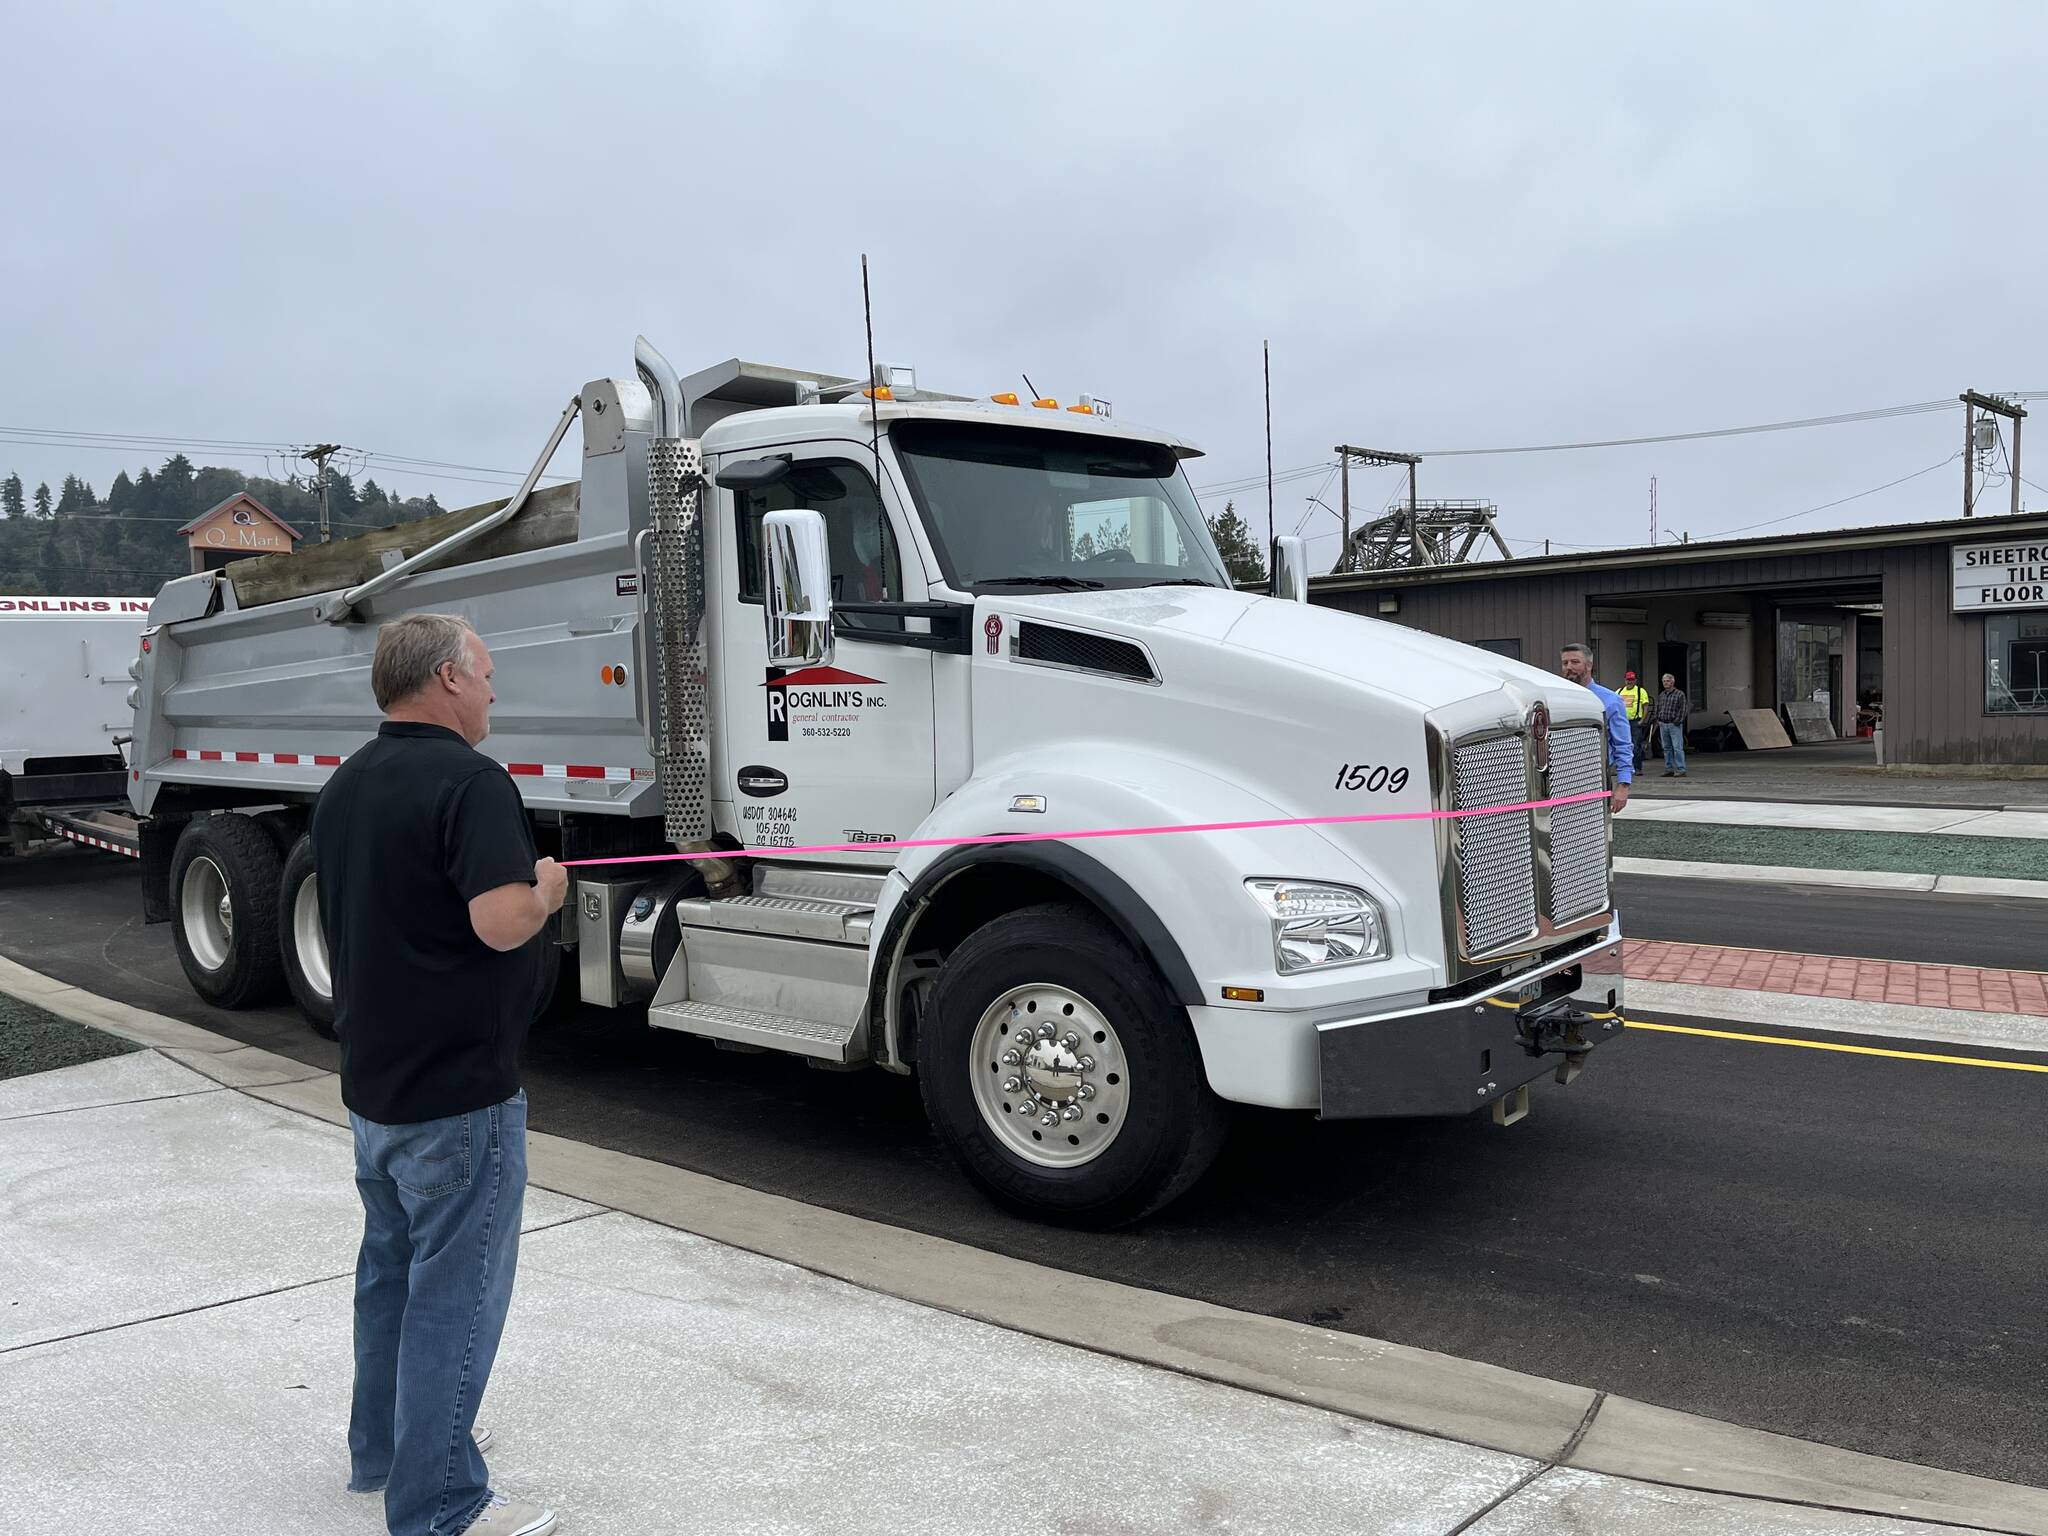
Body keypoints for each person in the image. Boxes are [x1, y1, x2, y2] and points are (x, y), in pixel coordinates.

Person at [311, 612, 568, 1536]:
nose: (496, 690)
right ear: (449, 678)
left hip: (376, 1091)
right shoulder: (472, 780)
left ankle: (382, 1455)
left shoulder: (347, 784)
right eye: (489, 673)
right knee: (454, 1304)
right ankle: (440, 1507)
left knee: (390, 1277)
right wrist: (547, 887)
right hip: (460, 1098)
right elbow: (501, 920)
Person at [1558, 642, 1632, 810]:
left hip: (1595, 779)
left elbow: (1623, 745)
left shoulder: (1611, 701)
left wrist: (1623, 785)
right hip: (1561, 779)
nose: (1569, 667)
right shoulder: (1556, 699)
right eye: (1565, 663)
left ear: (1589, 665)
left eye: (1575, 662)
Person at [1653, 671, 1692, 777]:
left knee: (1677, 747)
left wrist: (1677, 721)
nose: (1665, 683)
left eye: (1668, 681)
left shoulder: (1680, 694)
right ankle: (1668, 769)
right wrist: (1658, 719)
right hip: (1663, 724)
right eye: (1664, 681)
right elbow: (1657, 707)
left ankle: (1681, 769)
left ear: (1672, 682)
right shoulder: (1662, 695)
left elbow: (1683, 709)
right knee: (1666, 748)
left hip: (1674, 725)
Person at [1619, 670, 1652, 767]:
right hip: (1623, 722)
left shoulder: (1640, 691)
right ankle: (1626, 766)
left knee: (1636, 745)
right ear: (1625, 680)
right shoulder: (1620, 691)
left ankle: (1637, 767)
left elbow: (1646, 706)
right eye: (1628, 679)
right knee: (1623, 746)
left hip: (1635, 722)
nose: (1630, 682)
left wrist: (1643, 720)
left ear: (1635, 680)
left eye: (1632, 680)